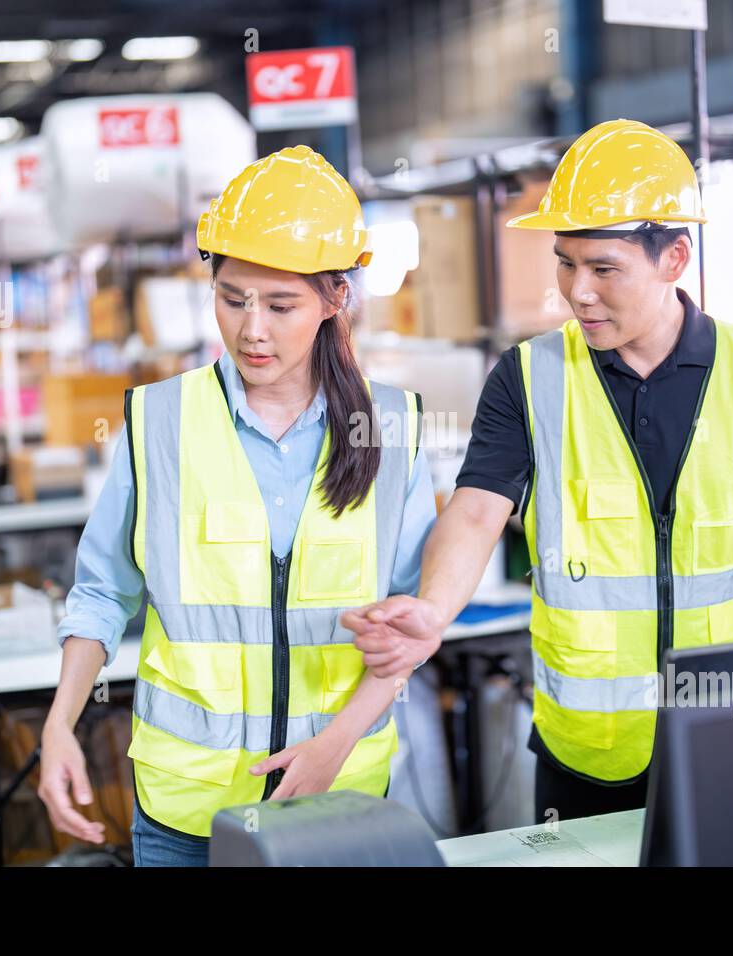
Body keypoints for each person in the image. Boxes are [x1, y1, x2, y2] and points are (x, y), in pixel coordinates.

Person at [342, 119, 733, 824]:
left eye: (604, 268)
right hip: (587, 756)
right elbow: (479, 509)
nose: (577, 293)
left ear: (674, 257)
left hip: (731, 737)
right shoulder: (528, 375)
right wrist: (433, 610)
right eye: (565, 263)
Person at [40, 145, 436, 866]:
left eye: (281, 304)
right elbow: (101, 592)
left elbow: (410, 624)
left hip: (337, 801)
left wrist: (333, 746)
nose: (252, 328)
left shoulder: (393, 429)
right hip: (187, 814)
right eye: (232, 298)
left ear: (335, 297)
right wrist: (59, 724)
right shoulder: (158, 421)